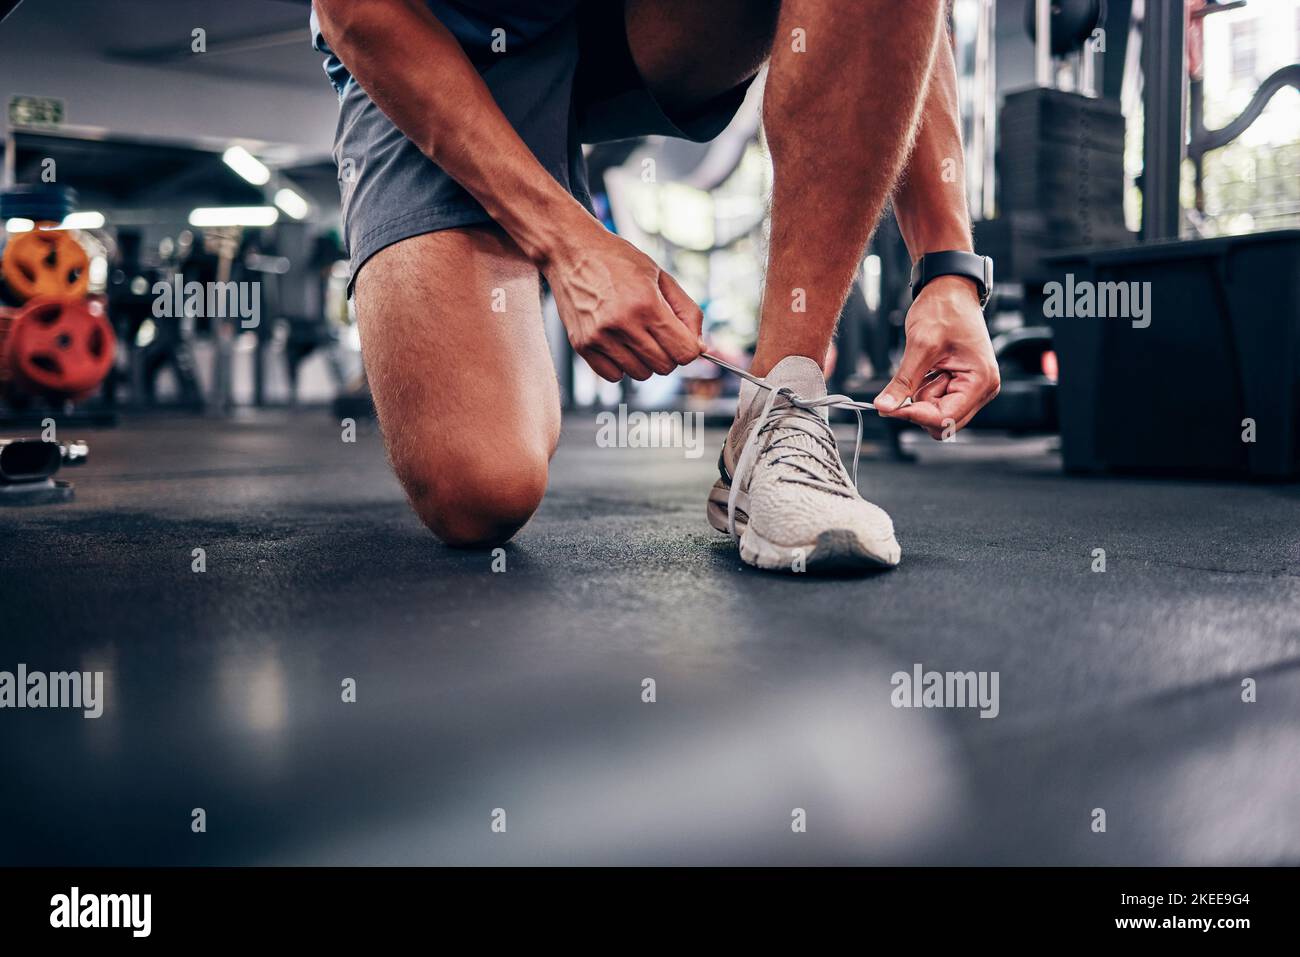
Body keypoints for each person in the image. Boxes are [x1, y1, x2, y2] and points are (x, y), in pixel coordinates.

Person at [310, 0, 1000, 572]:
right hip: (432, 43)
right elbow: (350, 9)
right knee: (481, 489)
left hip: (628, 22)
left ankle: (781, 414)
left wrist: (947, 269)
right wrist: (567, 241)